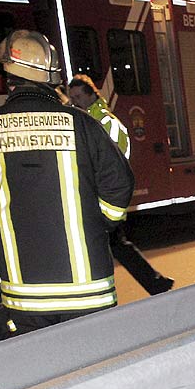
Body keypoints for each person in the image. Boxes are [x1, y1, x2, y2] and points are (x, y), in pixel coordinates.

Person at [0, 30, 134, 338]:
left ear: (9, 79)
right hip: (88, 291)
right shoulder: (82, 123)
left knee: (45, 374)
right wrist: (98, 222)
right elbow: (119, 185)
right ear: (52, 80)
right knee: (96, 372)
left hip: (25, 294)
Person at [67, 74, 173, 295]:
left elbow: (114, 162)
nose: (74, 101)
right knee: (115, 246)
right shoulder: (88, 120)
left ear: (90, 95)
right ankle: (156, 282)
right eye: (71, 97)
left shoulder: (104, 122)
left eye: (78, 96)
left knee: (110, 246)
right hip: (98, 197)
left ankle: (150, 283)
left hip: (103, 198)